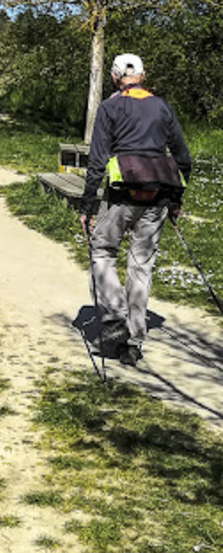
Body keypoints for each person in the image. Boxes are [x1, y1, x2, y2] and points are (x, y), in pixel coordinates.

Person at [79, 53, 192, 367]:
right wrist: (175, 201)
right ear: (143, 76)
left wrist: (87, 205)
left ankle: (114, 319)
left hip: (119, 196)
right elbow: (183, 159)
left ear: (115, 77)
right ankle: (133, 343)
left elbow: (97, 161)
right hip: (156, 198)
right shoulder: (163, 107)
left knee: (102, 251)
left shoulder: (110, 107)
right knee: (141, 267)